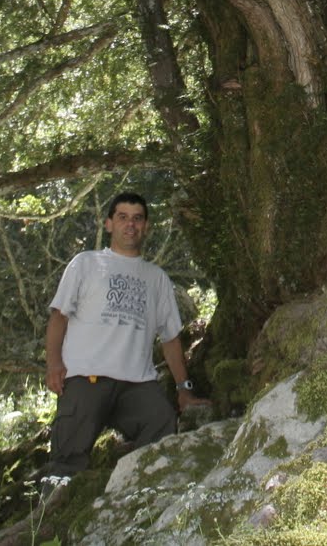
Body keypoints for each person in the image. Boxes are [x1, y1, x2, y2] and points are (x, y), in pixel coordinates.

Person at [41, 192, 208, 479]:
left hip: (137, 384)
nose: (130, 224)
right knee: (66, 460)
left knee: (161, 421)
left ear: (146, 227)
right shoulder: (86, 263)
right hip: (85, 378)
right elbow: (59, 316)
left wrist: (184, 389)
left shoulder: (156, 278)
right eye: (122, 217)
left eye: (137, 218)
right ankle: (48, 517)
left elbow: (169, 339)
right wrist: (54, 363)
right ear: (108, 224)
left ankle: (136, 497)